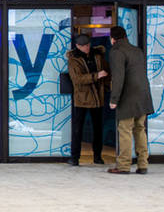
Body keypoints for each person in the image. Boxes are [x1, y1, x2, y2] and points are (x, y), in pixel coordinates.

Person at [106, 26, 154, 175]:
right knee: (140, 129)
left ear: (112, 38)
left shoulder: (117, 52)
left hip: (128, 96)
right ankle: (143, 164)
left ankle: (124, 166)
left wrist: (114, 99)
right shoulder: (137, 50)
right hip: (143, 95)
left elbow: (118, 77)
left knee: (125, 130)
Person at [66, 32, 108, 166]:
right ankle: (74, 157)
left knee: (98, 129)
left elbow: (106, 72)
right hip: (82, 98)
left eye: (88, 44)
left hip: (97, 98)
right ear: (77, 46)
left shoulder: (98, 54)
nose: (86, 48)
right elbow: (77, 79)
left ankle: (97, 156)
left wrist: (106, 84)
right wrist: (96, 76)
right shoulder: (73, 59)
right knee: (78, 129)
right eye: (83, 46)